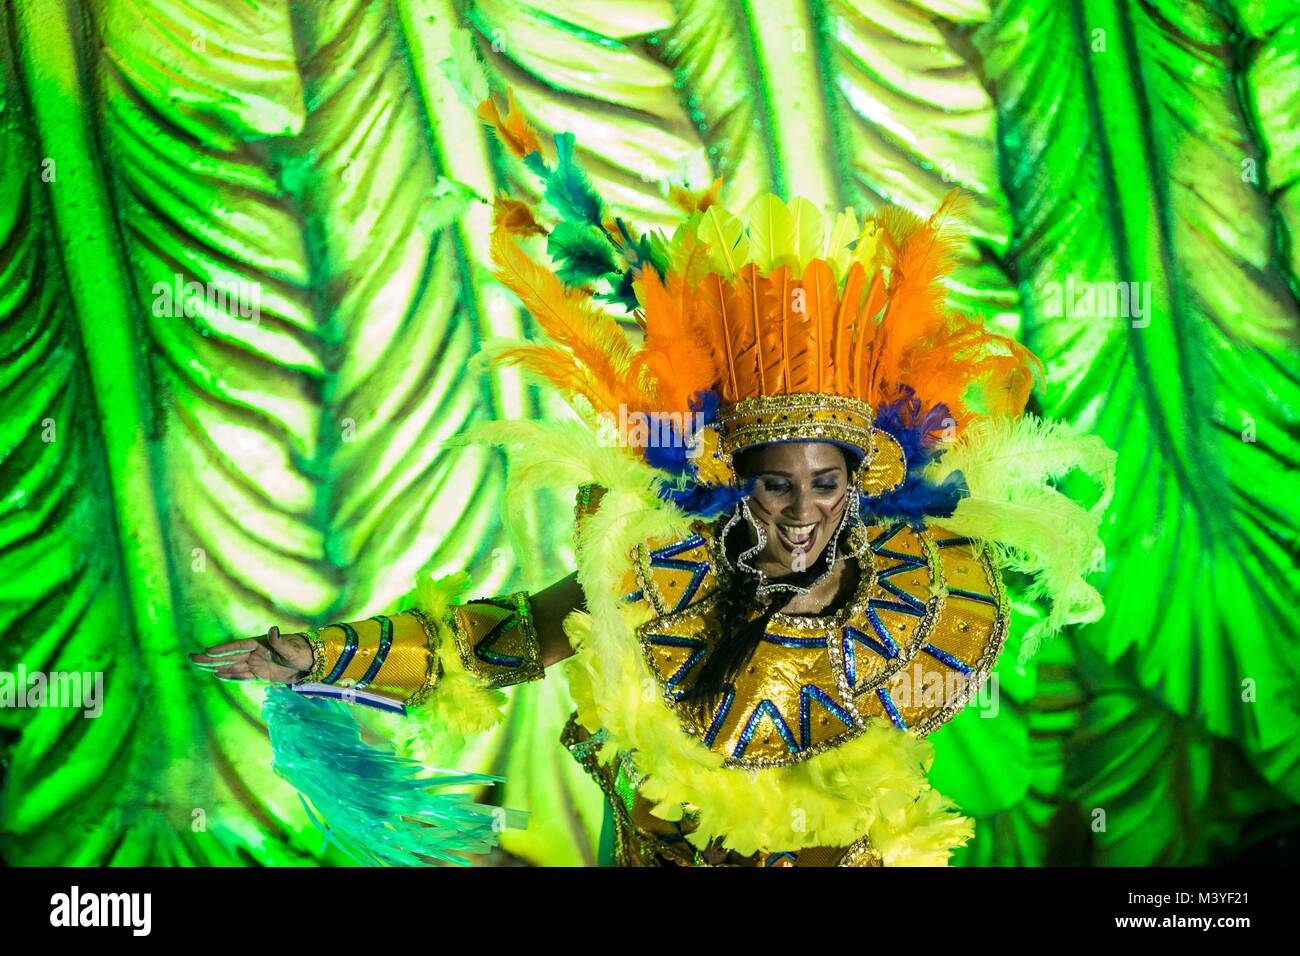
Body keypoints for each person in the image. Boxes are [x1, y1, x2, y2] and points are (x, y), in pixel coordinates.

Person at [192, 92, 1115, 867]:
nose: (801, 512)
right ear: (734, 477)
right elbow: (496, 642)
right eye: (775, 485)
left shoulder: (929, 606)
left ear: (857, 484)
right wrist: (320, 656)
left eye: (825, 485)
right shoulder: (658, 572)